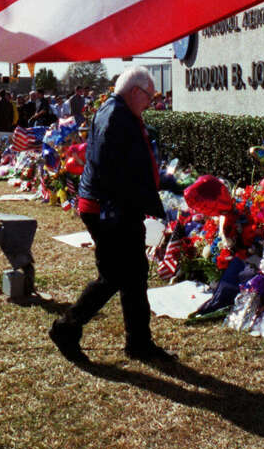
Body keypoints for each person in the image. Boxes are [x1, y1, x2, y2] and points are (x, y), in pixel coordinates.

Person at [49, 67, 172, 363]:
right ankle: (66, 327)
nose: (151, 102)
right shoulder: (115, 117)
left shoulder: (117, 111)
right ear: (134, 92)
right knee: (115, 276)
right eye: (149, 96)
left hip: (115, 207)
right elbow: (112, 171)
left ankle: (139, 343)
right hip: (111, 210)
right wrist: (140, 203)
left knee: (134, 275)